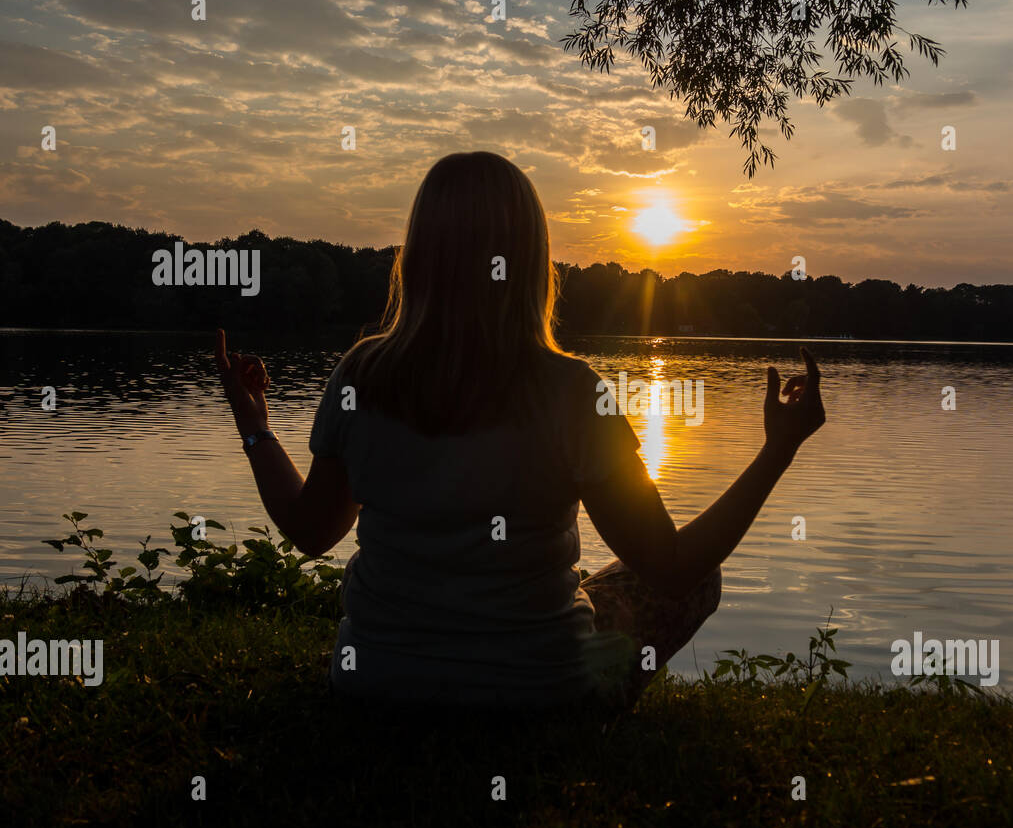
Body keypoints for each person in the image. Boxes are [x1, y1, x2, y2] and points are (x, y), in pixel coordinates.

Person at [214, 151, 826, 712]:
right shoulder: (571, 390)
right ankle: (591, 698)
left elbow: (312, 530)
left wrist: (255, 427)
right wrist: (778, 448)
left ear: (419, 255)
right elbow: (670, 568)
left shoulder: (361, 374)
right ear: (531, 259)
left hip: (374, 684)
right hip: (539, 694)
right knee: (695, 578)